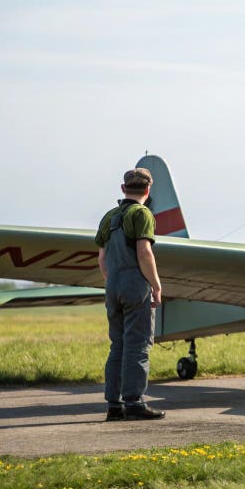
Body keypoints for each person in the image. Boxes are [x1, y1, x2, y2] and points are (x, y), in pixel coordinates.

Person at [95, 168, 165, 421]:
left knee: (118, 345)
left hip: (113, 284)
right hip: (136, 285)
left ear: (123, 188)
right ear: (148, 189)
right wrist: (156, 285)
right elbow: (144, 252)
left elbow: (102, 257)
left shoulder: (109, 217)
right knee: (138, 345)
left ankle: (114, 405)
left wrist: (112, 281)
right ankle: (135, 403)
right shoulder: (142, 214)